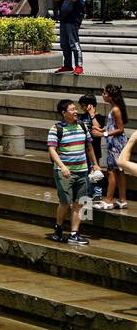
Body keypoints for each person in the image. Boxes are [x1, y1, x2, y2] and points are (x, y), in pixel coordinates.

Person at [48, 99, 99, 245]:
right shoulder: (56, 129)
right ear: (64, 113)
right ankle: (58, 229)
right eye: (72, 109)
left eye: (75, 109)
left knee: (80, 203)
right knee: (65, 202)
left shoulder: (82, 126)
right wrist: (62, 166)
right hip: (64, 172)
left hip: (82, 171)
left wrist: (95, 164)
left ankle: (74, 234)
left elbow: (89, 146)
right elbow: (52, 149)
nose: (76, 111)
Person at [96, 84, 129, 210]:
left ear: (110, 96)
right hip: (116, 142)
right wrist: (102, 129)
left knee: (112, 171)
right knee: (120, 172)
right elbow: (113, 125)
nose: (103, 95)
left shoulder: (115, 110)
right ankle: (122, 200)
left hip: (116, 143)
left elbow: (120, 129)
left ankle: (109, 200)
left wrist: (103, 133)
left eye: (104, 93)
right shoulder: (115, 108)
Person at [49, 0, 87, 75]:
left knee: (74, 44)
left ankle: (79, 66)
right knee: (64, 45)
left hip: (73, 21)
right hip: (64, 20)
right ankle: (67, 66)